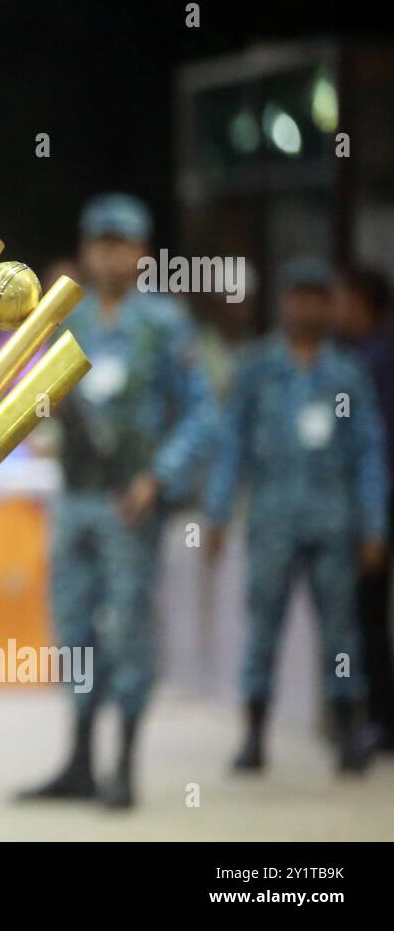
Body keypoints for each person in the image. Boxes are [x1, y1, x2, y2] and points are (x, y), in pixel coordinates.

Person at [15, 193, 219, 809]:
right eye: (99, 243)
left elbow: (204, 413)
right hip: (74, 497)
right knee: (73, 627)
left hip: (131, 501)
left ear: (143, 254)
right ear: (85, 251)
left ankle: (124, 764)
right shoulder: (67, 321)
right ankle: (79, 759)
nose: (109, 254)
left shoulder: (164, 325)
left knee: (129, 629)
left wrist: (159, 476)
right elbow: (38, 396)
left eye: (122, 243)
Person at [205, 259, 389, 773]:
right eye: (298, 296)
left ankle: (348, 730)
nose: (306, 307)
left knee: (341, 633)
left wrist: (374, 525)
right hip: (272, 520)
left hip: (333, 521)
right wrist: (217, 514)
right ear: (284, 302)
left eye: (317, 296)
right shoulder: (257, 369)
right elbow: (232, 445)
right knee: (262, 625)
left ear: (328, 305)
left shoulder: (345, 373)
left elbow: (367, 450)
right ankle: (254, 734)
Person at [335, 267, 394, 751]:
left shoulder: (376, 362)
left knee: (370, 619)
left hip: (376, 506)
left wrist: (374, 520)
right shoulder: (350, 359)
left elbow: (375, 446)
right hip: (356, 510)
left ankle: (378, 718)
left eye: (345, 300)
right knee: (360, 616)